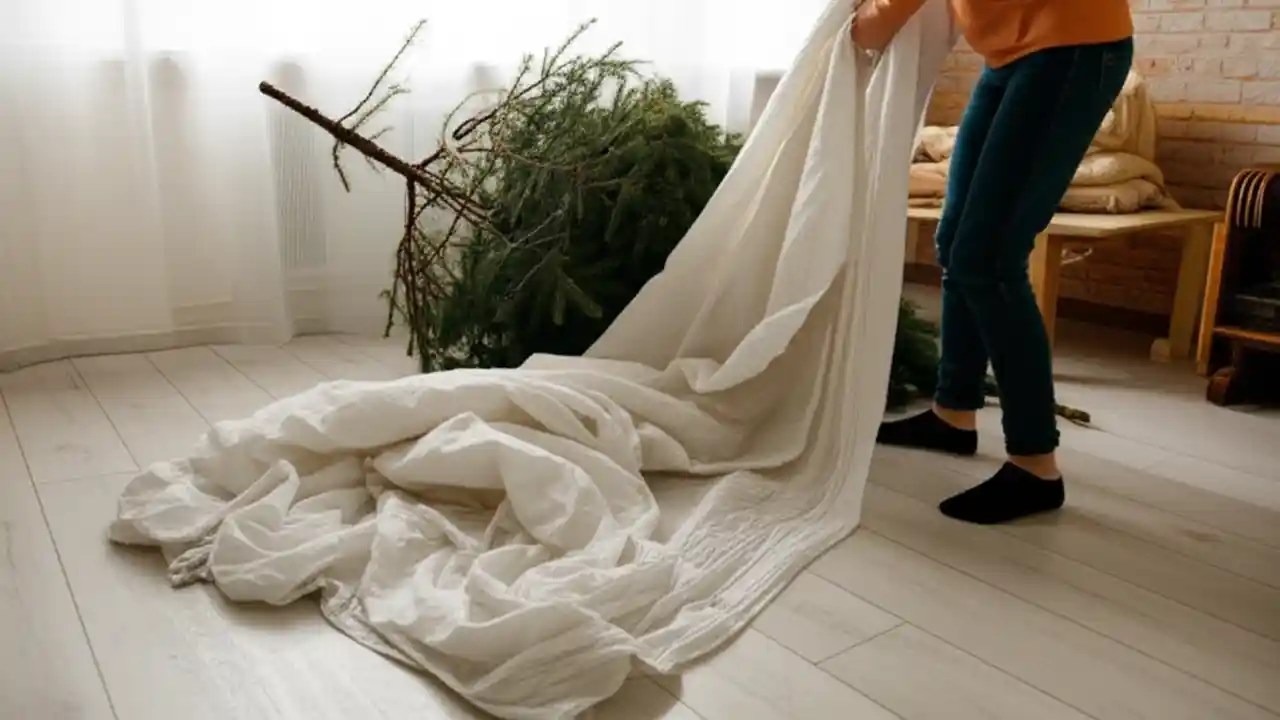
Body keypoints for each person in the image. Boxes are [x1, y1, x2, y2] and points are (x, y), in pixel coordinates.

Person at [855, 0, 1134, 524]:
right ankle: (953, 414)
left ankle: (1035, 465)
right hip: (1012, 54)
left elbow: (874, 26)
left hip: (1071, 45)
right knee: (957, 238)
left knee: (988, 258)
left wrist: (849, 26)